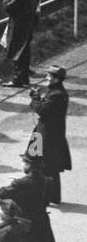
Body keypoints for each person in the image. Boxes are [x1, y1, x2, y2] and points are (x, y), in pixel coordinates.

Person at [28, 66, 71, 205]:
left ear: (57, 79)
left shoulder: (56, 94)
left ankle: (44, 198)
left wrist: (35, 98)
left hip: (47, 136)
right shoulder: (56, 92)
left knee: (43, 165)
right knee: (50, 167)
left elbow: (41, 110)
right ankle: (53, 197)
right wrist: (38, 98)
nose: (46, 78)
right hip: (47, 133)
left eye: (49, 76)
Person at [0, 0, 38, 87]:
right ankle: (24, 79)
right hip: (28, 27)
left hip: (18, 29)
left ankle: (17, 80)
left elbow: (8, 8)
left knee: (17, 54)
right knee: (25, 54)